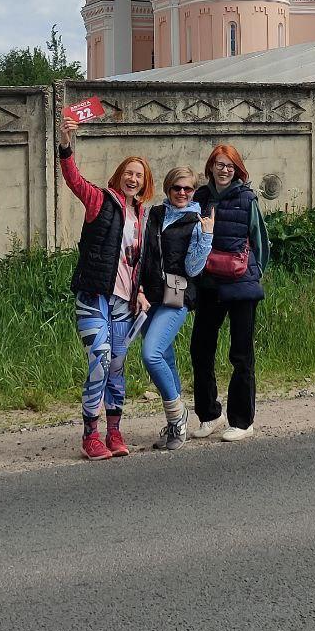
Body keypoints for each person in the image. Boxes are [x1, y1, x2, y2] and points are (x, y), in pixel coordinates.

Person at [58, 114, 153, 460]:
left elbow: (138, 260)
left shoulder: (142, 215)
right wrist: (66, 145)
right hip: (94, 295)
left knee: (116, 365)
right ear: (119, 176)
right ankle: (89, 435)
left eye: (139, 176)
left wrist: (140, 291)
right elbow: (74, 180)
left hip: (124, 303)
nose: (133, 178)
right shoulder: (100, 201)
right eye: (129, 172)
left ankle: (114, 432)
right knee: (99, 358)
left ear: (145, 184)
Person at [190, 144, 270, 443]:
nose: (224, 170)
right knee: (200, 349)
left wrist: (253, 272)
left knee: (240, 354)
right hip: (210, 283)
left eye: (230, 166)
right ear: (210, 167)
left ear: (237, 170)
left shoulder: (246, 198)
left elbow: (261, 242)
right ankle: (210, 414)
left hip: (241, 286)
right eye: (219, 164)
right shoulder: (201, 197)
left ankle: (242, 420)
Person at [137, 167, 214, 452]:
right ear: (168, 189)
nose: (182, 193)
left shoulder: (197, 221)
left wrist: (206, 237)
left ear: (194, 191)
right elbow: (142, 254)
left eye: (188, 189)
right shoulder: (154, 214)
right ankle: (175, 424)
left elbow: (194, 269)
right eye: (176, 188)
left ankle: (177, 414)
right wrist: (139, 290)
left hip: (177, 296)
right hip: (148, 297)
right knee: (166, 357)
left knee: (151, 353)